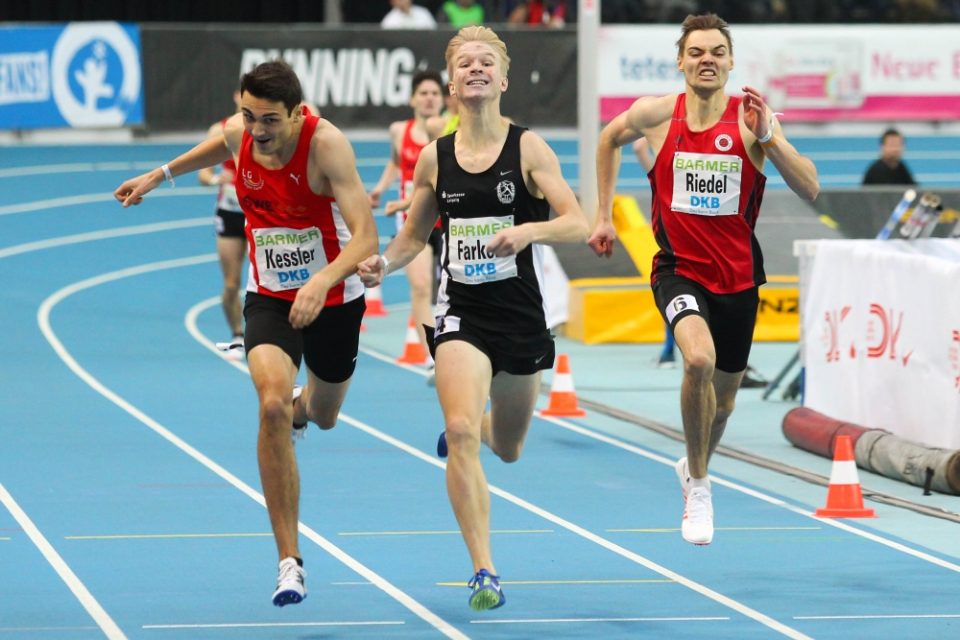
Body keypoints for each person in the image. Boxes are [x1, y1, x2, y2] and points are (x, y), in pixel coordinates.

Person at [114, 60, 378, 606]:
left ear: (297, 113)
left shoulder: (327, 146)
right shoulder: (241, 133)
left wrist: (322, 280)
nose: (257, 130)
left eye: (270, 120)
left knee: (323, 413)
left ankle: (305, 410)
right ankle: (290, 561)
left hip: (333, 295)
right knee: (271, 404)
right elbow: (220, 145)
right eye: (248, 115)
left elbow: (366, 238)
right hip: (271, 296)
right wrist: (157, 176)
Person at [357, 25, 588, 611]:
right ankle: (485, 570)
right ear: (452, 84)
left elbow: (577, 222)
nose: (476, 68)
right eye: (465, 63)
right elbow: (414, 236)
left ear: (503, 80)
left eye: (487, 61)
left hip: (520, 317)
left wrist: (527, 231)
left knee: (506, 447)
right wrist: (383, 264)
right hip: (461, 311)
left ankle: (480, 429)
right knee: (460, 429)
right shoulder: (434, 158)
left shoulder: (528, 149)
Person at [588, 13, 819, 546]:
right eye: (696, 52)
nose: (706, 60)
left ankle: (692, 465)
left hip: (738, 277)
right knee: (697, 359)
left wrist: (771, 139)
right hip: (678, 270)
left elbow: (810, 187)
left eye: (717, 51)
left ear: (731, 62)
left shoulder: (752, 121)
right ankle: (699, 486)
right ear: (681, 61)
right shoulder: (656, 115)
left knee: (725, 402)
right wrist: (602, 215)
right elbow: (607, 139)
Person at [369, 70, 445, 383]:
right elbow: (396, 162)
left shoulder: (450, 131)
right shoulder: (400, 131)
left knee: (450, 290)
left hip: (448, 219)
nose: (429, 99)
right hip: (414, 220)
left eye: (434, 93)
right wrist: (380, 188)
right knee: (422, 287)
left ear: (443, 99)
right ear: (413, 99)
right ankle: (432, 357)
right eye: (423, 93)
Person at [198, 90, 246, 357]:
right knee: (231, 283)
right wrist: (218, 179)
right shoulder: (220, 129)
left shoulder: (266, 131)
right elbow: (203, 175)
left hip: (262, 214)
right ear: (236, 97)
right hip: (230, 213)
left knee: (269, 281)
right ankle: (237, 336)